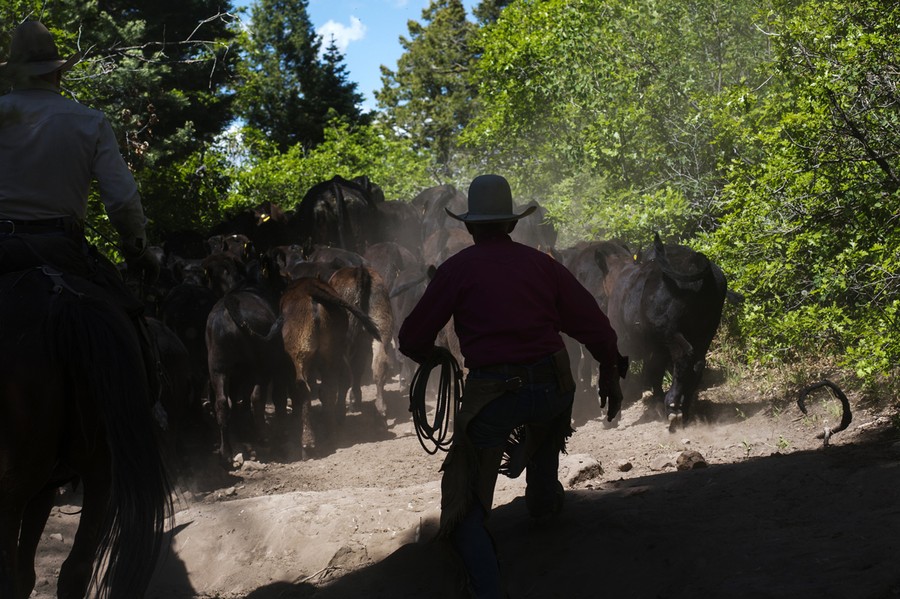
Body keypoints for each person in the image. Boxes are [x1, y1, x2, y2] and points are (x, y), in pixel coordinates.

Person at [398, 174, 627, 598]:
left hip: (495, 396)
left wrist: (435, 357)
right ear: (510, 224)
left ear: (469, 226)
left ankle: (487, 588)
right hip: (554, 386)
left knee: (463, 506)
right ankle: (542, 499)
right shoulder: (543, 265)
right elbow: (593, 323)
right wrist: (610, 369)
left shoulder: (456, 270)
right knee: (547, 427)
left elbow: (410, 338)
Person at [0, 21, 160, 384]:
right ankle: (151, 410)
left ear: (13, 75)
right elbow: (121, 201)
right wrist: (136, 248)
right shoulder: (89, 121)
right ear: (57, 75)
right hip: (63, 251)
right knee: (131, 325)